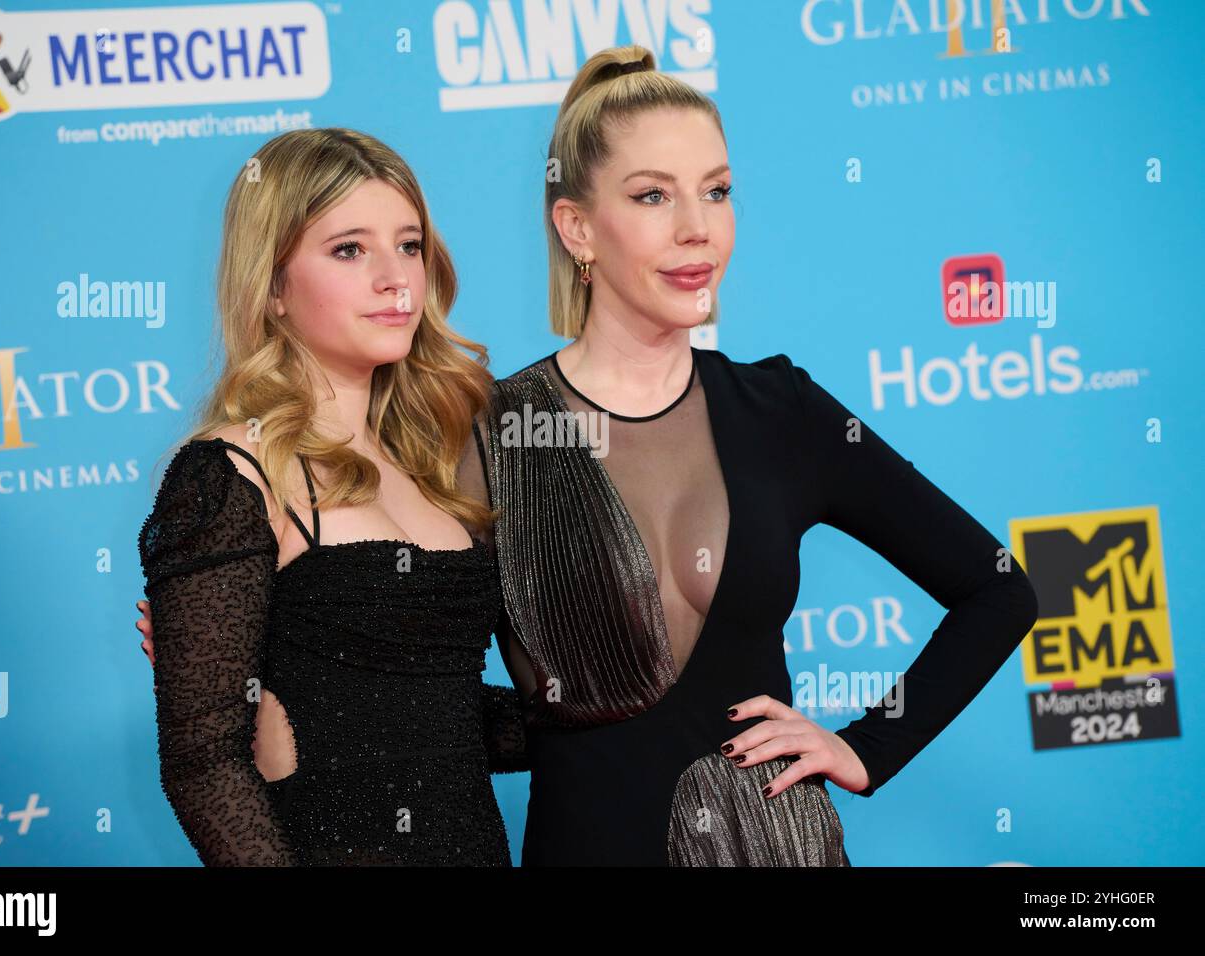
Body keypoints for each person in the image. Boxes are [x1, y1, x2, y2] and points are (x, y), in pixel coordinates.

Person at [455, 46, 1040, 865]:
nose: (698, 226)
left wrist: (869, 747)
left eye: (717, 191)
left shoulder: (781, 411)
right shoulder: (491, 434)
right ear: (576, 227)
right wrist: (564, 720)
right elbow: (422, 697)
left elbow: (999, 589)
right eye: (653, 195)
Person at [136, 127, 526, 867]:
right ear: (273, 286)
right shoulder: (229, 476)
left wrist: (626, 715)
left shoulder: (436, 464)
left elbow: (436, 718)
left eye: (409, 246)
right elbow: (203, 764)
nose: (396, 278)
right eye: (349, 249)